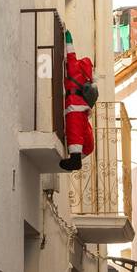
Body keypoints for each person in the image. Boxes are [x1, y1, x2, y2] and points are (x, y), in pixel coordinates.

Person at [58, 29, 98, 172]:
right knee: (83, 130)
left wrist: (68, 38)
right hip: (84, 109)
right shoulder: (88, 78)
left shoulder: (75, 67)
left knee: (74, 130)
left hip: (74, 106)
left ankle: (75, 159)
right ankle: (79, 154)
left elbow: (71, 53)